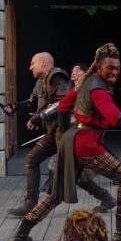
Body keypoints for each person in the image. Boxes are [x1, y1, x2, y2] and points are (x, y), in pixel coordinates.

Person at [8, 43, 121, 241]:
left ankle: (21, 235)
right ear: (99, 67)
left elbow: (62, 107)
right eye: (110, 68)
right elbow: (115, 117)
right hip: (86, 144)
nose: (114, 72)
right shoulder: (97, 89)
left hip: (72, 140)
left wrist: (63, 132)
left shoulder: (86, 83)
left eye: (117, 68)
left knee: (56, 194)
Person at [4, 52, 115, 217]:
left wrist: (40, 116)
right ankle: (30, 203)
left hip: (66, 133)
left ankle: (108, 196)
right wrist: (15, 106)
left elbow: (62, 103)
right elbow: (31, 103)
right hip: (54, 132)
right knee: (32, 160)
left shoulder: (58, 78)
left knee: (76, 175)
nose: (30, 67)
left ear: (43, 63)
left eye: (33, 63)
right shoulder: (41, 82)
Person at [40, 61, 89, 193]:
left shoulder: (88, 88)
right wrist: (49, 111)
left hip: (84, 130)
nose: (74, 72)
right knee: (62, 161)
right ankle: (54, 187)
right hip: (70, 129)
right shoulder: (71, 89)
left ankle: (54, 188)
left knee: (79, 166)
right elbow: (63, 103)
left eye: (78, 70)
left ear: (85, 73)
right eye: (73, 70)